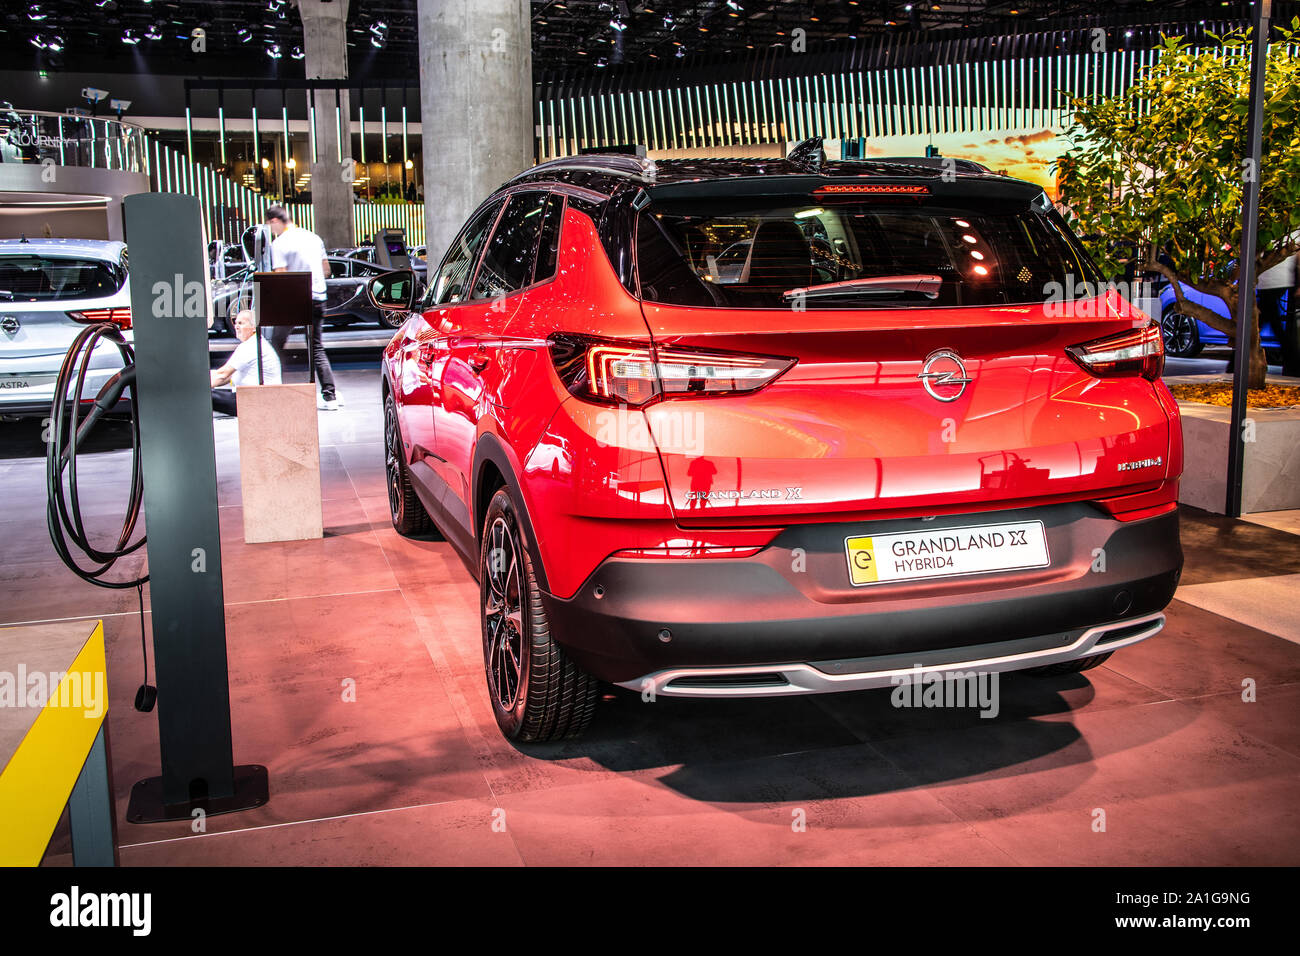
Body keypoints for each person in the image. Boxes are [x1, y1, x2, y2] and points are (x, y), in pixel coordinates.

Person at [262, 205, 342, 410]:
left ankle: (271, 391)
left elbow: (281, 275)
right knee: (316, 347)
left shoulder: (279, 243)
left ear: (274, 222)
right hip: (318, 298)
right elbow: (326, 270)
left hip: (294, 298)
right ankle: (330, 396)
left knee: (275, 344)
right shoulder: (313, 237)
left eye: (271, 227)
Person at [211, 309, 281, 416]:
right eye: (235, 323)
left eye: (241, 323)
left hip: (254, 401)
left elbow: (222, 374)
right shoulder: (256, 342)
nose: (236, 326)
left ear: (253, 327)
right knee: (208, 394)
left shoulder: (250, 346)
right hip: (254, 398)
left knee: (203, 396)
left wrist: (198, 387)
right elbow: (227, 377)